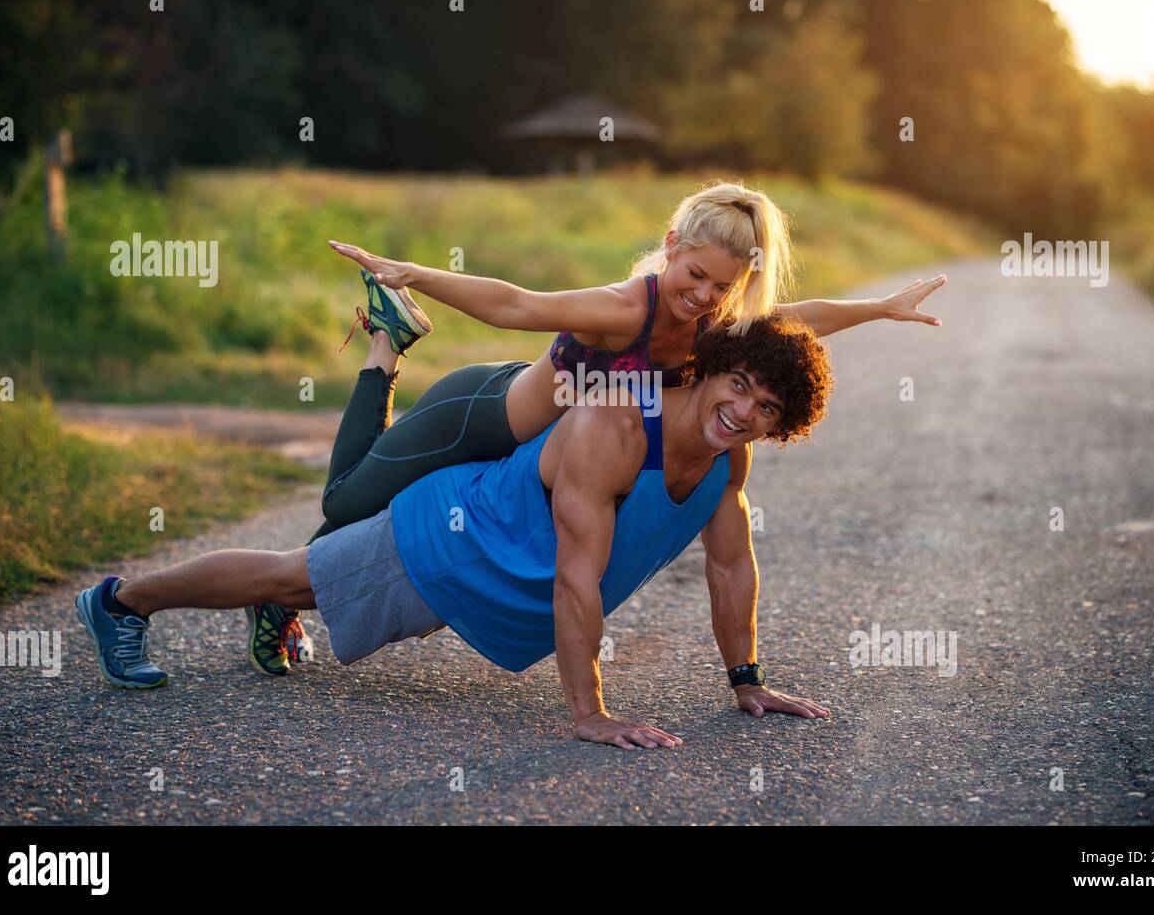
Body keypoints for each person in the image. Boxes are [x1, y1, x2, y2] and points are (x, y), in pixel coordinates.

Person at [246, 180, 945, 674]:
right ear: (672, 246)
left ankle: (278, 598)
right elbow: (518, 303)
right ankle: (385, 349)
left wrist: (883, 307)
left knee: (375, 522)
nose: (702, 295)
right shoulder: (623, 308)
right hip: (483, 418)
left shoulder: (712, 330)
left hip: (531, 452)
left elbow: (798, 318)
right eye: (694, 273)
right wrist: (415, 274)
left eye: (720, 288)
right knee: (346, 503)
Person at [77, 314, 833, 749]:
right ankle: (121, 601)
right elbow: (577, 575)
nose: (744, 411)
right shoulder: (617, 430)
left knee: (306, 581)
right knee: (290, 573)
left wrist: (748, 680)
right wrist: (589, 713)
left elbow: (732, 570)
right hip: (449, 539)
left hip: (491, 579)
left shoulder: (725, 468)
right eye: (739, 385)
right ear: (712, 370)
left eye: (767, 407)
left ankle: (276, 608)